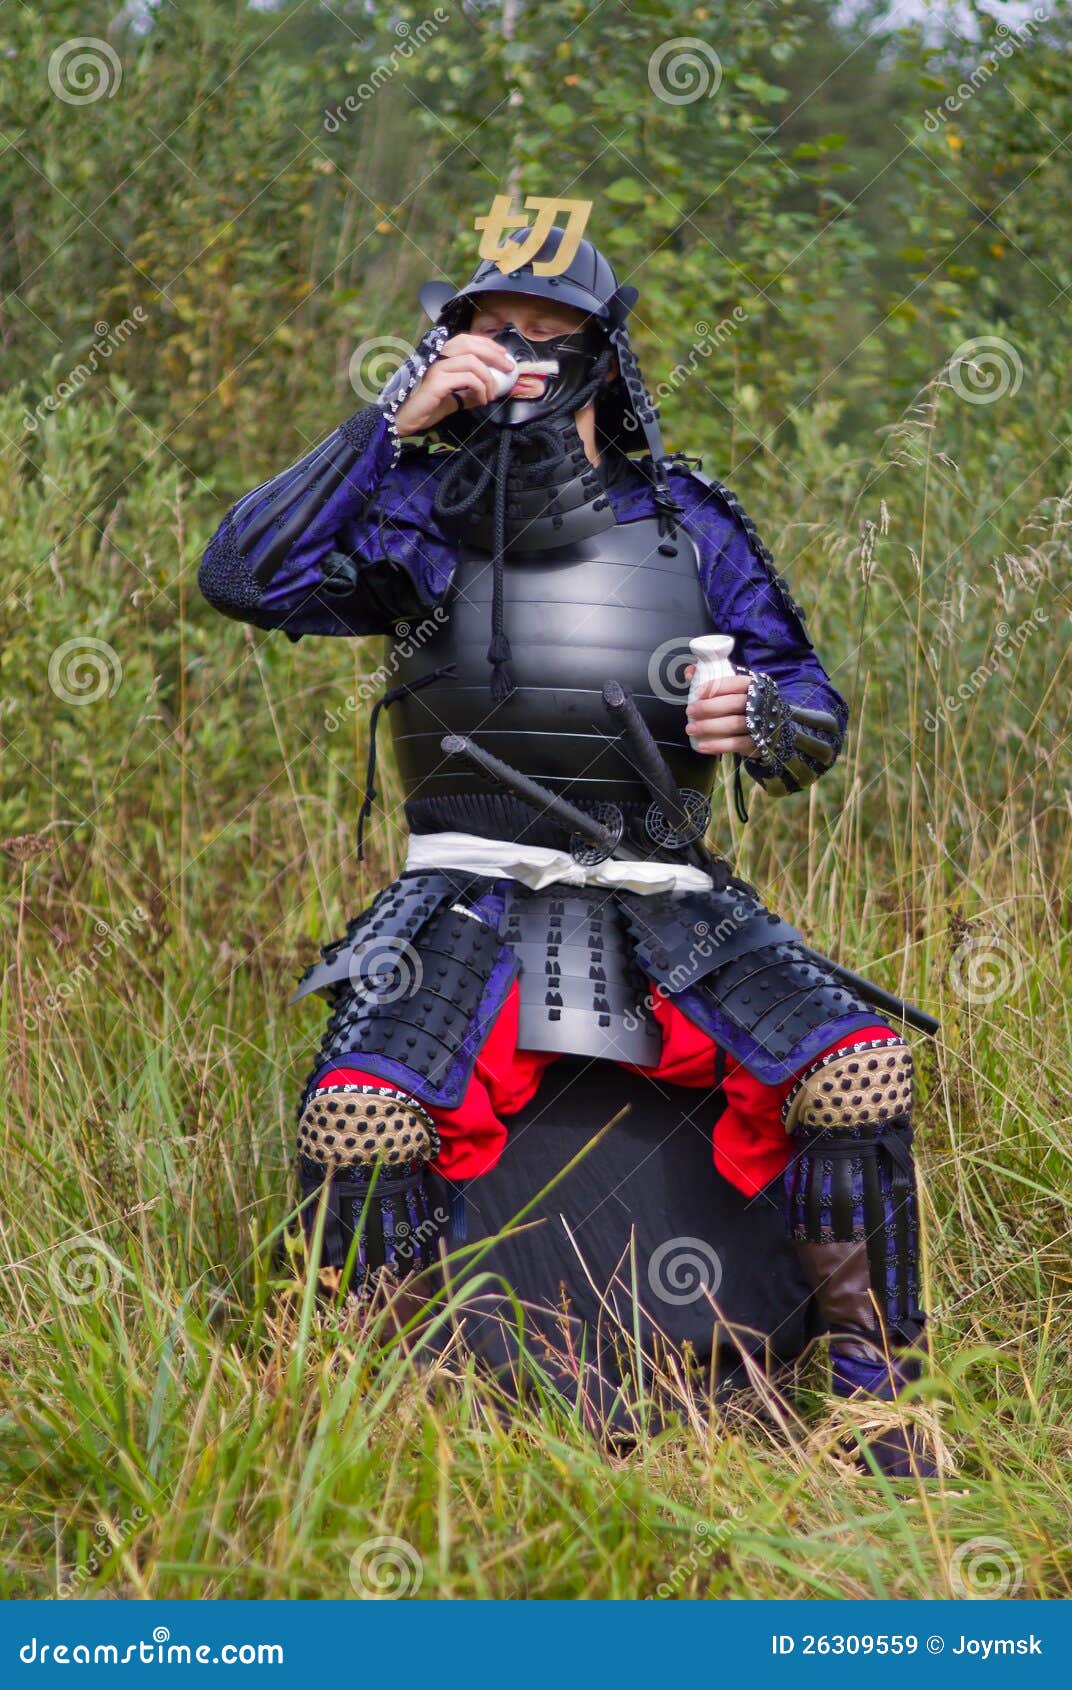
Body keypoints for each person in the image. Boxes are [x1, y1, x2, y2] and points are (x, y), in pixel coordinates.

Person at [199, 222, 937, 1474]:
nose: (521, 362)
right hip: (464, 890)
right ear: (453, 344)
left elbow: (812, 714)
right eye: (493, 333)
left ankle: (876, 1401)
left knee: (859, 1072)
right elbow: (242, 575)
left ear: (603, 357)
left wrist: (757, 717)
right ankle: (366, 1408)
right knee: (360, 1118)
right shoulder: (412, 516)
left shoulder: (686, 519)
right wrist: (392, 416)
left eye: (550, 340)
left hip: (665, 890)